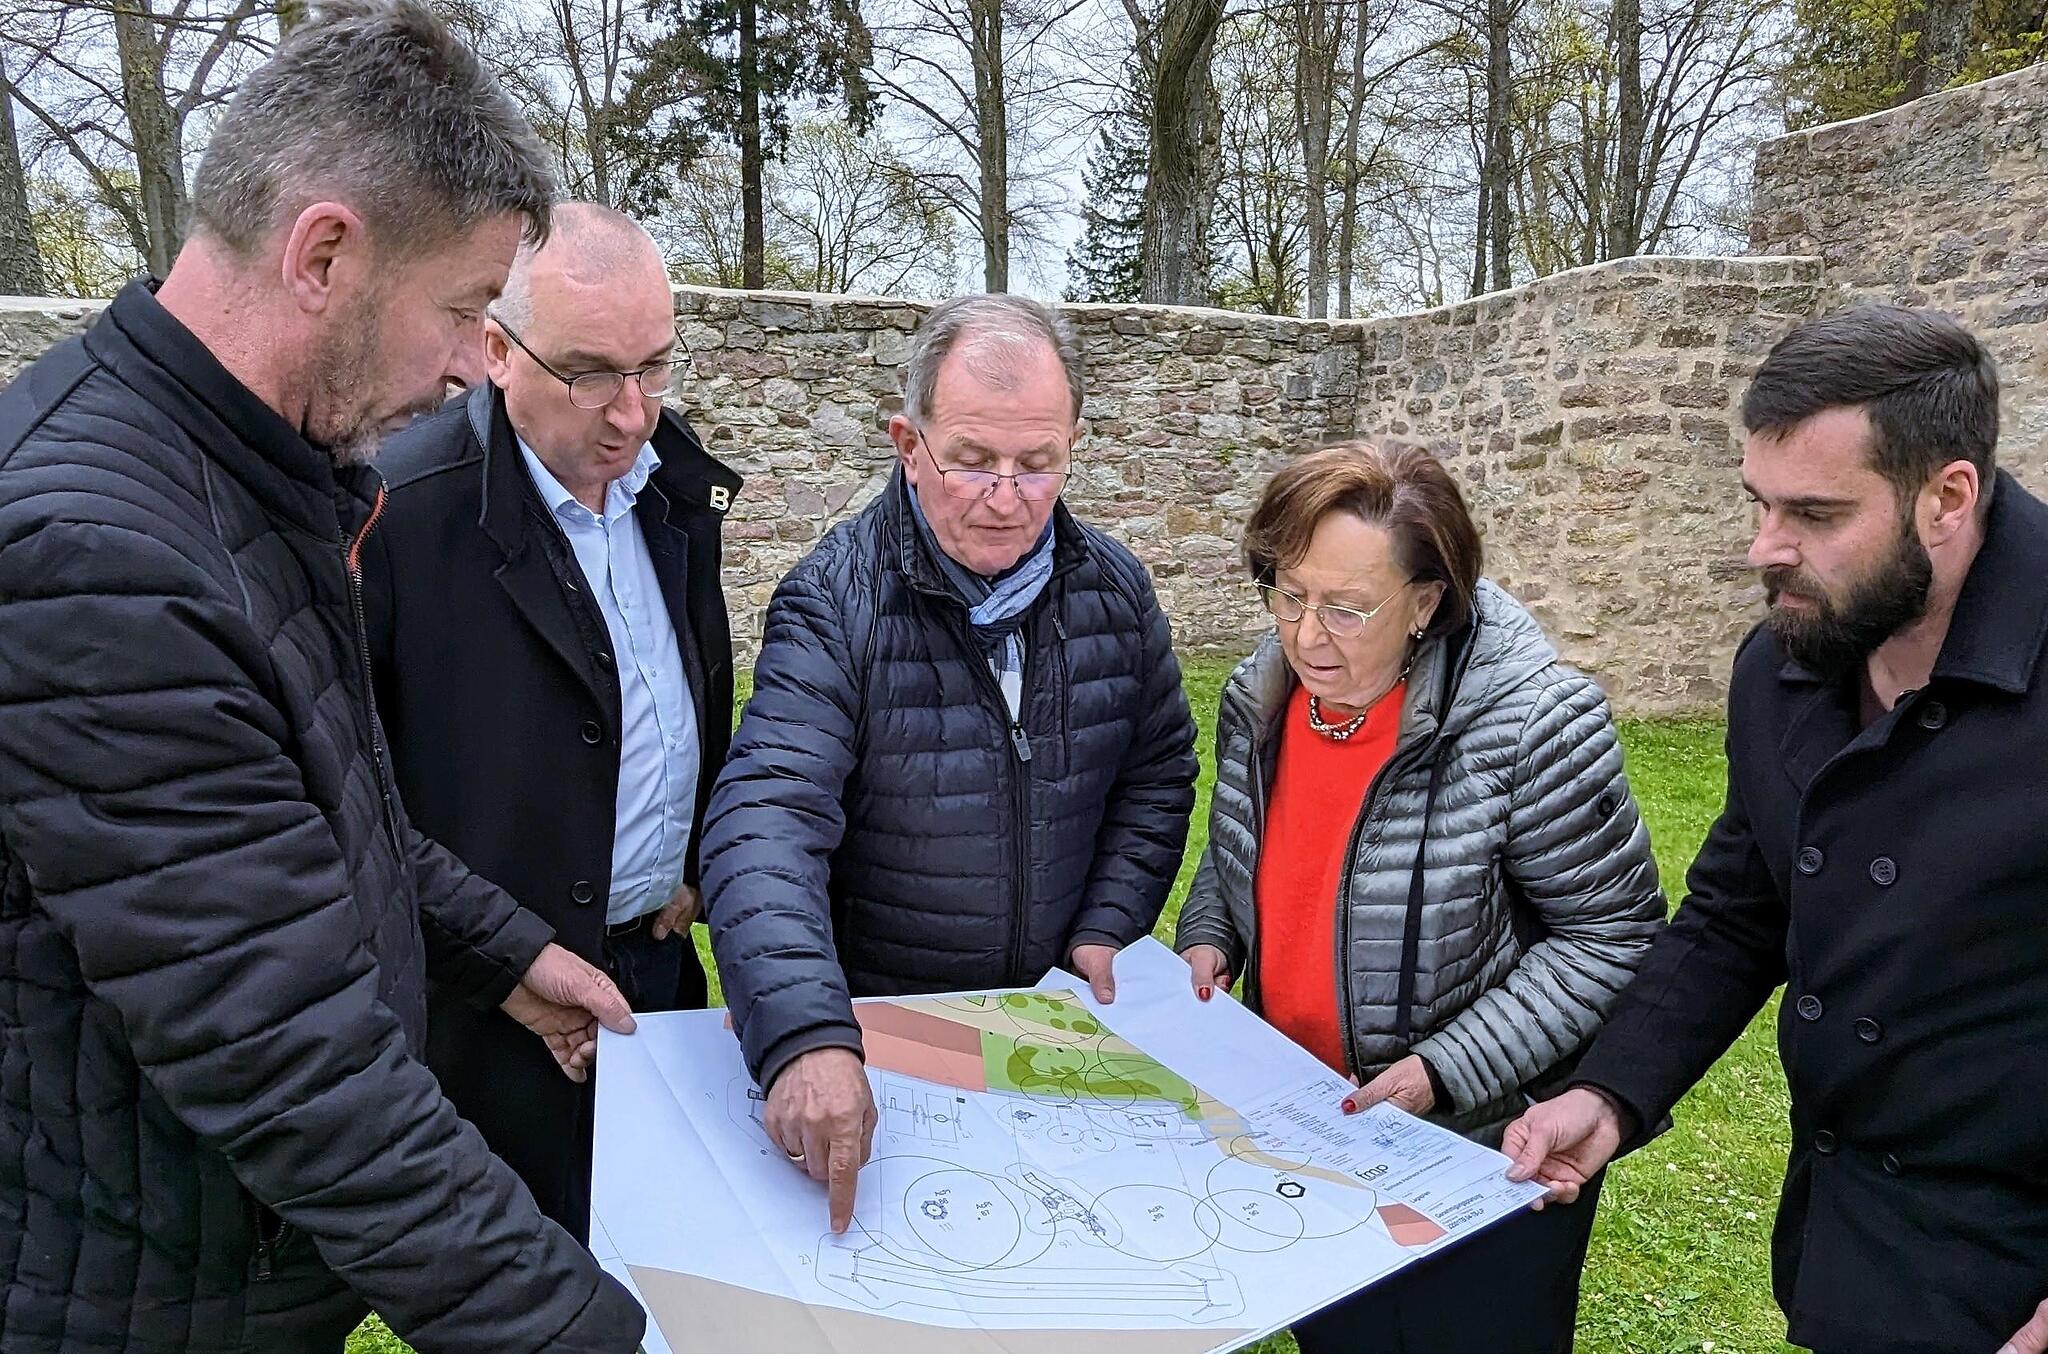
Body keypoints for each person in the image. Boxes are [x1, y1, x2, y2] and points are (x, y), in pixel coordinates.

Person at [0, 5, 646, 1352]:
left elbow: (315, 806)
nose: (480, 361)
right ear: (327, 254)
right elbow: (299, 1070)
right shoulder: (103, 556)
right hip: (143, 1300)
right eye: (469, 310)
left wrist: (505, 949)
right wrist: (597, 1335)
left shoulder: (264, 471)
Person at [1503, 304, 2048, 1354]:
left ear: (1946, 496)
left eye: (1811, 512)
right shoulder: (1786, 663)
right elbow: (1734, 914)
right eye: (1757, 502)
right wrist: (1609, 1091)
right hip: (1856, 1246)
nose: (1763, 550)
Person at [700, 293, 1199, 1232]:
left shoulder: (1117, 591)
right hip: (889, 1049)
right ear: (907, 442)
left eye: (1038, 464)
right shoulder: (834, 599)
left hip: (1054, 1037)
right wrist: (805, 1032)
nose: (1007, 497)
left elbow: (1158, 771)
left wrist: (1107, 923)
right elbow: (767, 817)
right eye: (972, 462)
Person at [1171, 441, 1663, 1353]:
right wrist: (1212, 935)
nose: (1307, 635)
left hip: (1479, 1156)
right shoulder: (1262, 694)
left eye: (1349, 609)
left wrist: (1446, 1069)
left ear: (1427, 601)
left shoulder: (1532, 722)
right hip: (1309, 1129)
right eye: (1288, 593)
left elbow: (1612, 933)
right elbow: (1242, 846)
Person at [364, 201, 741, 1242]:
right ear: (494, 347)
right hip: (487, 1022)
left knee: (675, 1272)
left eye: (655, 365)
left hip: (656, 978)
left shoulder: (672, 486)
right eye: (586, 373)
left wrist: (699, 842)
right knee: (524, 1295)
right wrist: (504, 959)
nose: (630, 412)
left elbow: (688, 694)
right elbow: (343, 802)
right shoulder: (397, 514)